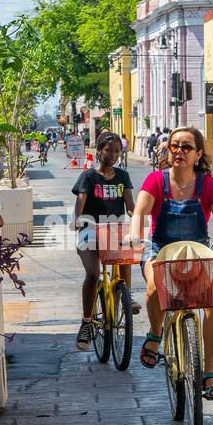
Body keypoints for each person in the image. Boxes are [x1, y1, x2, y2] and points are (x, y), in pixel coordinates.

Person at [127, 125, 213, 401]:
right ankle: (156, 335)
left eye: (186, 147)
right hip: (160, 250)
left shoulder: (207, 184)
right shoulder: (157, 180)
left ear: (198, 153)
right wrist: (134, 232)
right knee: (156, 287)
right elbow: (141, 210)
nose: (179, 151)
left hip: (196, 252)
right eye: (174, 146)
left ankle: (209, 371)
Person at [72, 131, 136, 351]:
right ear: (99, 150)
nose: (112, 155)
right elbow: (79, 208)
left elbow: (131, 206)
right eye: (108, 150)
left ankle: (126, 294)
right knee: (93, 274)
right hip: (90, 231)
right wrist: (79, 221)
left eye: (117, 151)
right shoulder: (88, 177)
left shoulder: (123, 176)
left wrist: (139, 216)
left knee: (127, 252)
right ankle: (87, 322)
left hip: (114, 231)